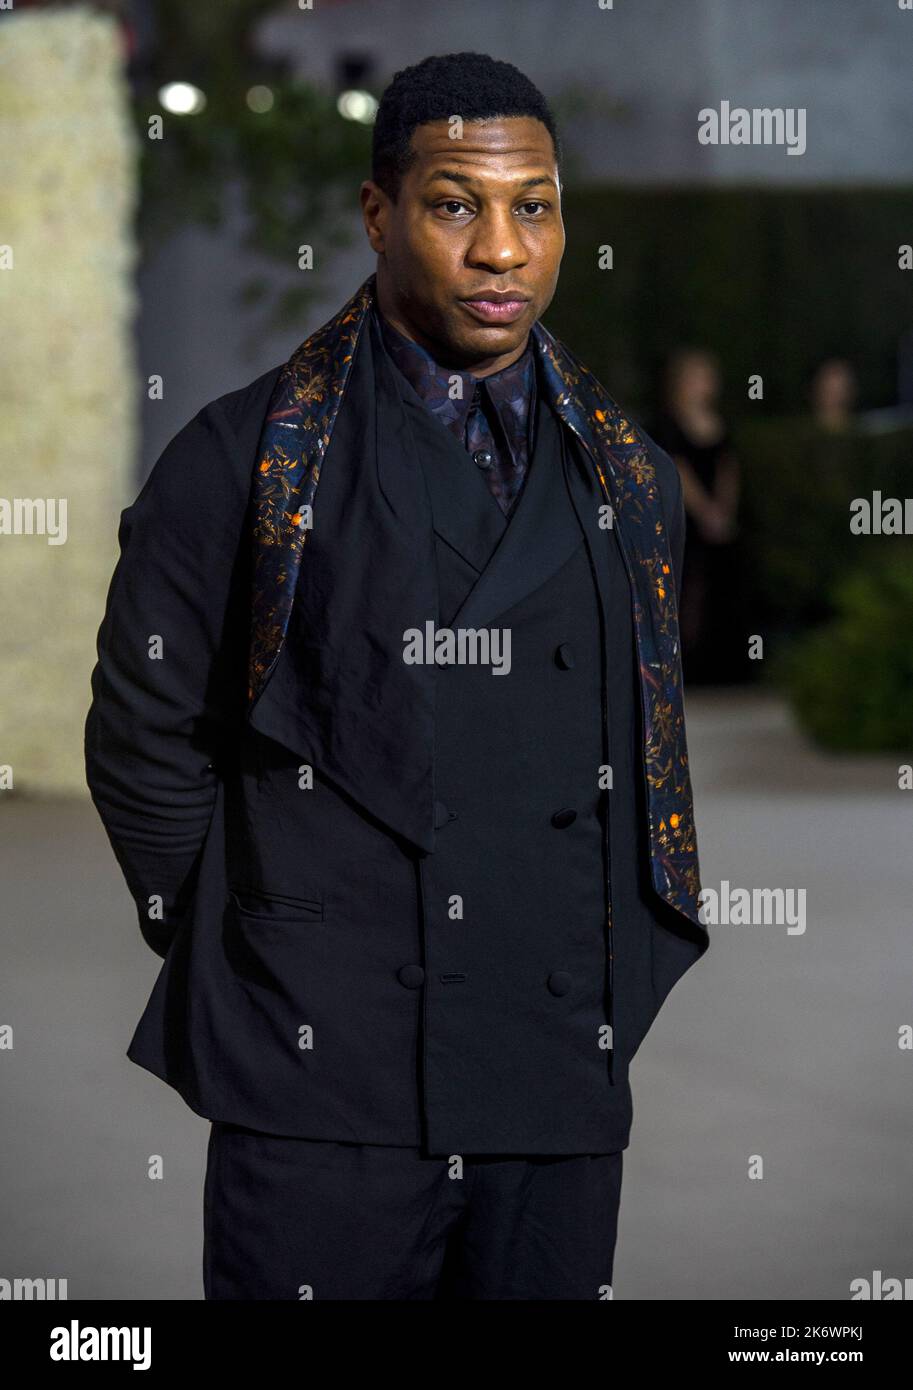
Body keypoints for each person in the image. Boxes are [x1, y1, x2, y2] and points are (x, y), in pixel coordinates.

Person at [85, 52, 709, 1301]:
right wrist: (257, 940)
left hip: (549, 1069)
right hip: (324, 1074)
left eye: (532, 205)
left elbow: (643, 745)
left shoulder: (631, 475)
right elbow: (146, 733)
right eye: (452, 203)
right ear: (378, 216)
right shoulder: (246, 458)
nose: (500, 248)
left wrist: (610, 981)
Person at [652, 347, 741, 683]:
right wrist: (706, 511)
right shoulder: (669, 424)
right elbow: (678, 470)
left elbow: (727, 467)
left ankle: (724, 664)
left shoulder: (719, 422)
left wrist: (724, 509)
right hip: (685, 520)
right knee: (687, 591)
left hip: (718, 521)